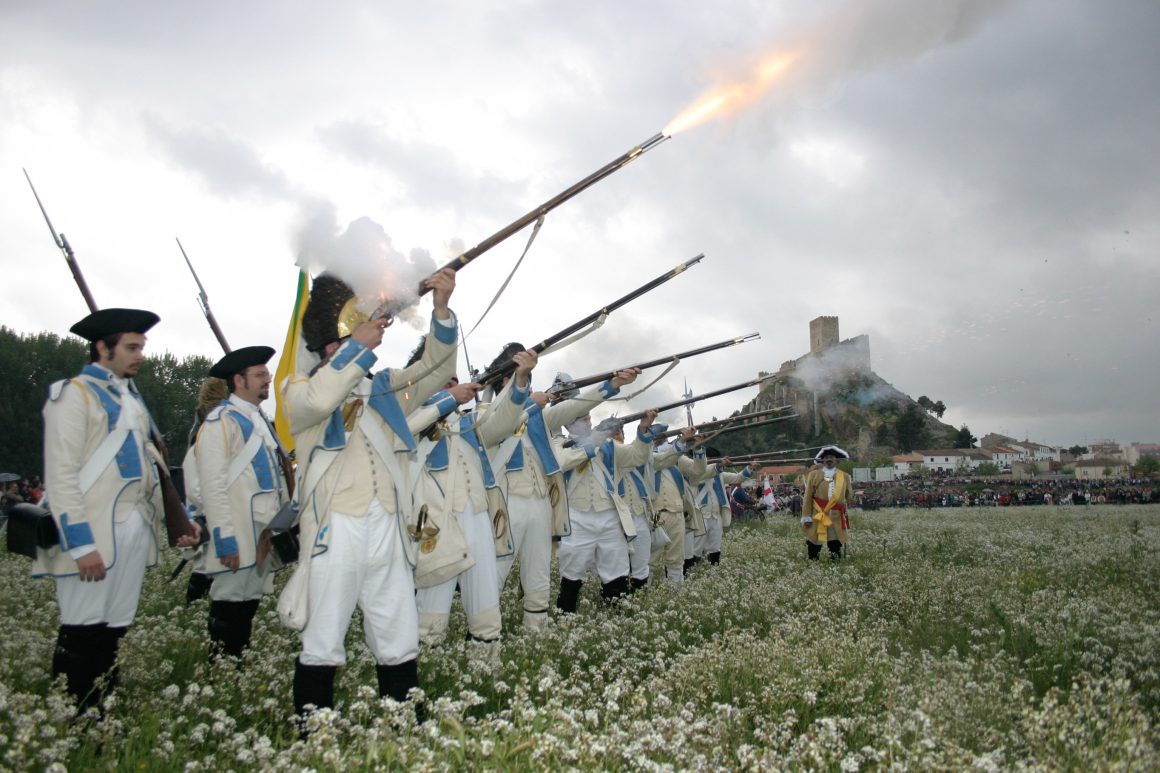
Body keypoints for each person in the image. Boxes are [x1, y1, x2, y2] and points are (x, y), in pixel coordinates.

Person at [281, 270, 458, 717]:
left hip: (386, 524)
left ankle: (406, 723)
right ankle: (313, 732)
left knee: (398, 632)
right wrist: (359, 345)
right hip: (335, 526)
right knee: (323, 636)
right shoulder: (298, 389)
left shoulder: (384, 390)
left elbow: (438, 371)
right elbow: (322, 402)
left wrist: (440, 308)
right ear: (331, 343)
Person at [33, 308, 200, 711]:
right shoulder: (73, 395)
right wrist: (80, 544)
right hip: (89, 531)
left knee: (113, 631)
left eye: (141, 346)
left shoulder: (131, 401)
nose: (140, 354)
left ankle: (101, 714)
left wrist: (179, 521)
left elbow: (149, 472)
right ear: (102, 347)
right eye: (131, 347)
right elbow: (62, 475)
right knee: (81, 630)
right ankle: (73, 719)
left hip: (131, 527)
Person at [486, 353, 640, 631]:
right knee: (494, 573)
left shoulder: (539, 417)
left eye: (528, 381)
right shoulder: (486, 412)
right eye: (521, 381)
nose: (528, 387)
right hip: (506, 502)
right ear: (506, 382)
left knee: (539, 576)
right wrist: (526, 403)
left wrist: (612, 384)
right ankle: (484, 634)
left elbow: (572, 408)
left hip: (539, 505)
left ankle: (536, 630)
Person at [195, 346, 290, 659]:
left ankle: (233, 668)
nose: (268, 379)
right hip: (236, 533)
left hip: (261, 531)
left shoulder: (259, 421)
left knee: (247, 607)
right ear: (239, 380)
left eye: (266, 373)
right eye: (259, 375)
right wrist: (224, 540)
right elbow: (213, 486)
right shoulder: (220, 422)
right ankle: (220, 670)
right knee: (227, 609)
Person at [556, 403, 657, 612]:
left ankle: (617, 615)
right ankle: (565, 616)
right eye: (582, 418)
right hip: (576, 516)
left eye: (588, 417)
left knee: (616, 570)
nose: (588, 421)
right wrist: (594, 440)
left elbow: (636, 456)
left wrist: (643, 430)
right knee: (571, 573)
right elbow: (562, 463)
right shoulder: (559, 445)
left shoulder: (609, 445)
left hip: (609, 515)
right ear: (567, 423)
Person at [647, 428, 704, 584]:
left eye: (664, 437)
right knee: (649, 559)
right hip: (655, 516)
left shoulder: (678, 459)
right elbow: (664, 458)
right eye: (659, 437)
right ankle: (643, 593)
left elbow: (698, 470)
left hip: (677, 513)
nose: (661, 440)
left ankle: (675, 591)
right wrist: (681, 444)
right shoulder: (647, 457)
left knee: (676, 558)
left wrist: (698, 448)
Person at [691, 459, 755, 566]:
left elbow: (738, 478)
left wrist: (750, 468)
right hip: (701, 514)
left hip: (716, 515)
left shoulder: (720, 475)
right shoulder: (697, 473)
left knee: (715, 545)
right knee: (696, 546)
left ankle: (714, 567)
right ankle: (691, 569)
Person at [801, 445, 852, 560]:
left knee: (835, 544)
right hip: (817, 514)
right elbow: (807, 497)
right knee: (814, 543)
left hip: (836, 516)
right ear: (823, 460)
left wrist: (843, 507)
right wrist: (806, 517)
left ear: (837, 460)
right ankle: (813, 564)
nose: (829, 459)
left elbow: (849, 495)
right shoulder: (814, 475)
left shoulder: (844, 476)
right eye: (826, 457)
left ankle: (836, 564)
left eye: (832, 457)